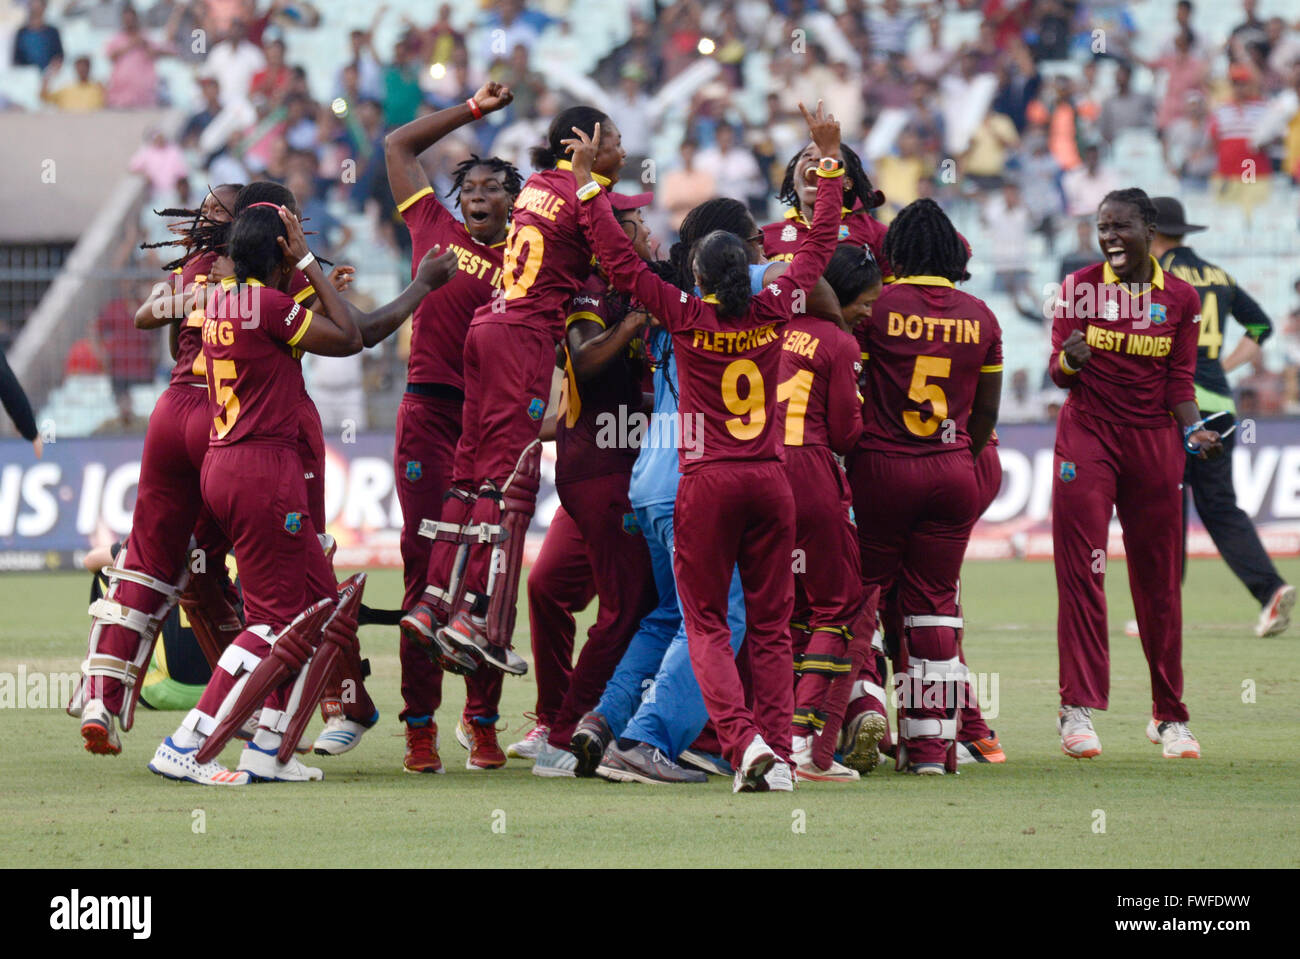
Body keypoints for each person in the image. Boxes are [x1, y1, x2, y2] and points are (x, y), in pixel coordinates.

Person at [568, 101, 844, 793]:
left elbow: (619, 262)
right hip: (770, 478)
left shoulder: (681, 315)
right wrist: (830, 160)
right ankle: (777, 751)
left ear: (695, 272)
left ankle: (745, 744)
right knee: (773, 628)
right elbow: (817, 246)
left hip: (705, 481)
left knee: (707, 624)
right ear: (750, 267)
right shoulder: (778, 304)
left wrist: (585, 186)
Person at [400, 105, 626, 695]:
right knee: (510, 485)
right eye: (617, 145)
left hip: (487, 334)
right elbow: (622, 265)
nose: (624, 157)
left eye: (491, 187)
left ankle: (436, 603)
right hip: (506, 350)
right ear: (586, 147)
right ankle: (482, 620)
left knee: (472, 481)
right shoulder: (581, 193)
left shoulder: (535, 200)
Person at [378, 85, 523, 773]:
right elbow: (397, 146)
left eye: (494, 188)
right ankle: (419, 725)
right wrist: (472, 109)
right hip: (430, 416)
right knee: (422, 568)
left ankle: (483, 719)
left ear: (513, 203)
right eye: (471, 185)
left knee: (488, 577)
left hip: (494, 427)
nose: (479, 195)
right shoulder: (431, 227)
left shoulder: (528, 263)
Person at [1049, 188, 1222, 763]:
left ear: (1149, 229)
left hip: (1153, 443)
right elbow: (1058, 372)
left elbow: (1179, 382)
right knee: (1082, 570)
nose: (1110, 237)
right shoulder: (1077, 289)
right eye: (1103, 227)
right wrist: (1071, 358)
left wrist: (1194, 429)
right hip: (1088, 436)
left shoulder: (1181, 299)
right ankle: (1077, 707)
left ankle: (1170, 716)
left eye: (1121, 226)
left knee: (1159, 582)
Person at [849, 198, 1003, 775]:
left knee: (860, 594)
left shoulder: (875, 307)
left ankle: (860, 707)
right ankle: (932, 750)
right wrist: (958, 449)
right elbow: (986, 413)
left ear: (894, 253)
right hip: (952, 469)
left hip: (881, 468)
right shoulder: (982, 315)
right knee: (935, 610)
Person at [530, 193, 660, 778]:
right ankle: (565, 732)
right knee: (628, 605)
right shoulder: (590, 291)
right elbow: (582, 362)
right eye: (635, 223)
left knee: (559, 588)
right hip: (601, 469)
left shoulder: (634, 289)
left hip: (615, 464)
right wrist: (635, 321)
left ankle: (567, 720)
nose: (646, 232)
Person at [1149, 196, 1295, 636]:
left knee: (1166, 505)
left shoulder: (1159, 276)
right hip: (1220, 408)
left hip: (1178, 407)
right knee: (1220, 508)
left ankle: (1161, 614)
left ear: (1152, 235)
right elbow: (1261, 327)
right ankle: (1270, 590)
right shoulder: (1219, 275)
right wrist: (1221, 368)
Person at [783, 243, 884, 782]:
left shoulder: (770, 325)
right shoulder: (839, 344)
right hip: (812, 477)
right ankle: (802, 742)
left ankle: (770, 735)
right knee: (837, 608)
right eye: (865, 301)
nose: (869, 312)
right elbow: (846, 432)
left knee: (780, 611)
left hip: (758, 471)